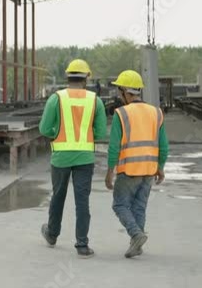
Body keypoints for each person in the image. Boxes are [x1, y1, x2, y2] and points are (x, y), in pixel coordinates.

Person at [39, 59, 108, 257]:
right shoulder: (95, 100)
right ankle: (82, 244)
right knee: (82, 201)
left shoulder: (56, 98)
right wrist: (85, 134)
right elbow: (101, 132)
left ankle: (52, 234)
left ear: (67, 76)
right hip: (85, 158)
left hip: (60, 157)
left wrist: (57, 131)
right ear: (87, 77)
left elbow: (44, 128)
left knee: (58, 196)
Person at [104, 70, 169, 258]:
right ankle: (137, 245)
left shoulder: (122, 114)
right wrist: (160, 167)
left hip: (129, 170)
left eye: (119, 90)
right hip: (149, 170)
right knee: (139, 206)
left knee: (120, 205)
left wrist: (110, 172)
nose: (118, 94)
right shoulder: (156, 113)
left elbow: (114, 147)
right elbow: (163, 146)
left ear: (125, 91)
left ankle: (136, 234)